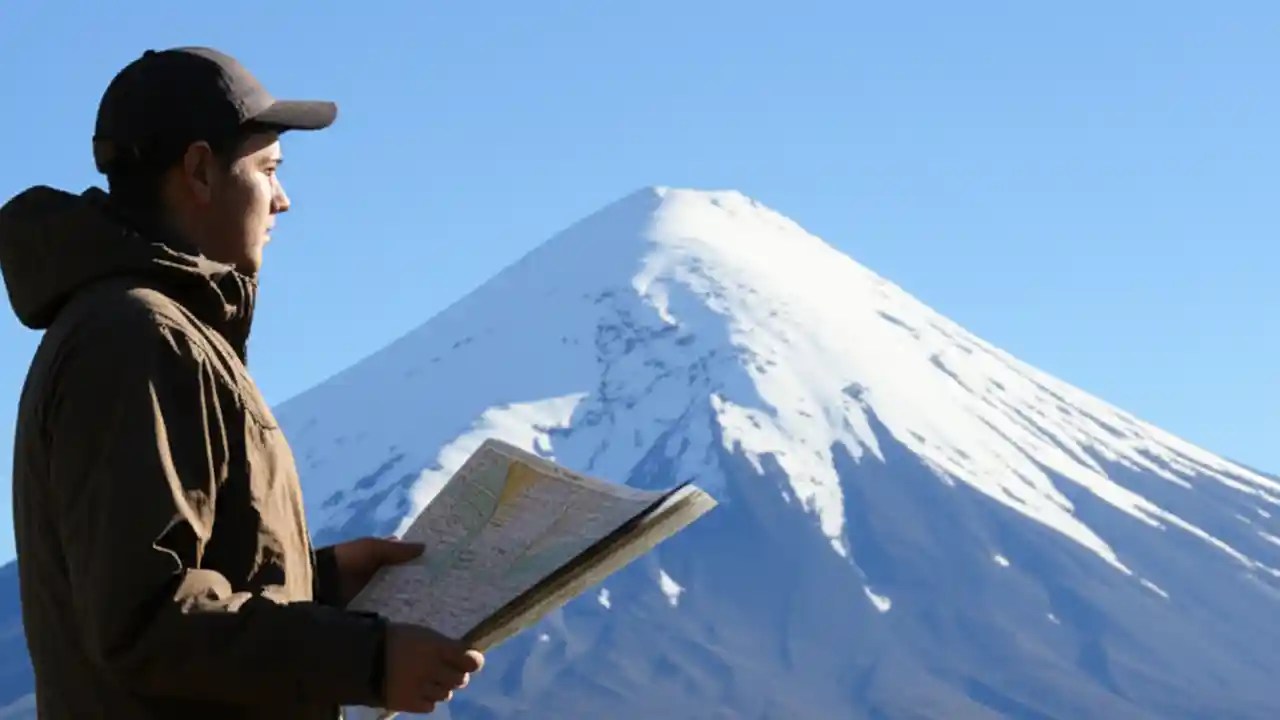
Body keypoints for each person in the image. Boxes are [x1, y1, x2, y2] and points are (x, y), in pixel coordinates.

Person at [0, 46, 483, 718]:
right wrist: (362, 660)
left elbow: (173, 585)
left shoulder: (148, 331)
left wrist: (325, 582)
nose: (282, 200)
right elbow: (143, 620)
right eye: (268, 169)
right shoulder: (136, 337)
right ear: (199, 170)